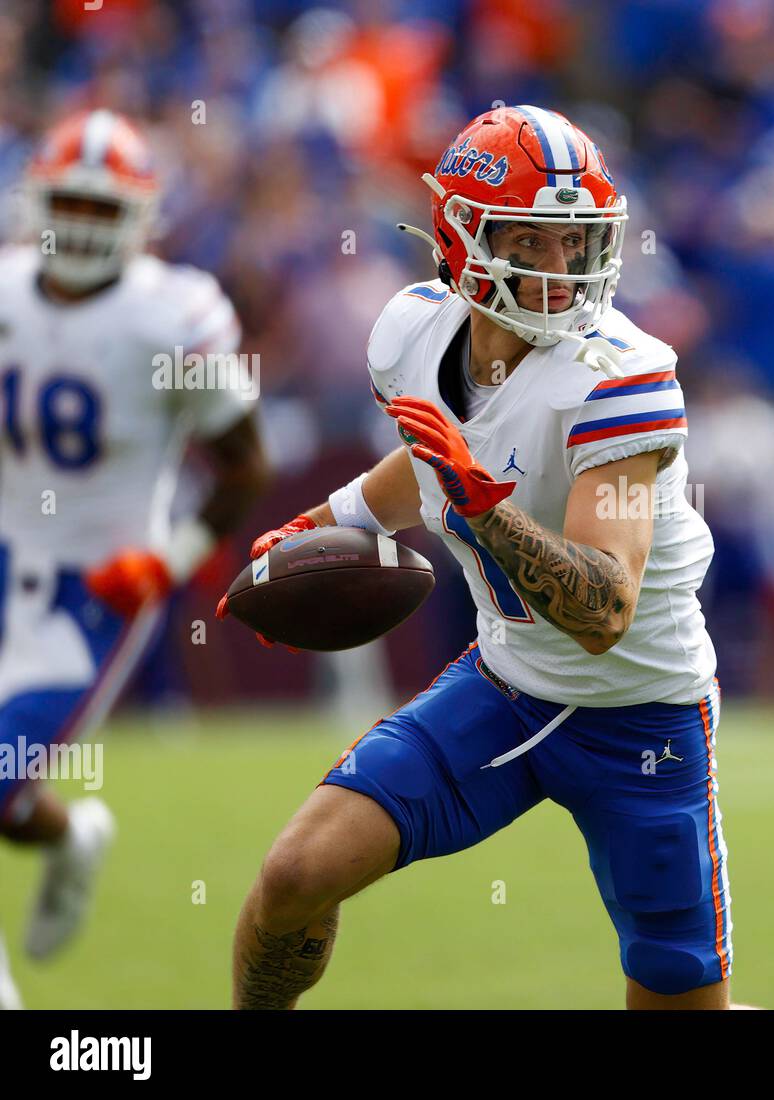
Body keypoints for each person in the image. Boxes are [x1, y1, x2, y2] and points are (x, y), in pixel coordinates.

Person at [224, 105, 729, 1010]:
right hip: (502, 686)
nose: (561, 268)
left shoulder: (620, 379)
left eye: (577, 244)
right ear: (462, 236)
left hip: (640, 720)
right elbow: (429, 454)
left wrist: (483, 506)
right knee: (297, 873)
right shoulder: (413, 333)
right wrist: (327, 518)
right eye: (531, 240)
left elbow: (605, 610)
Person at [0, 110, 267, 1000]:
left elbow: (244, 463)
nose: (78, 223)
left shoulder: (170, 316)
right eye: (67, 201)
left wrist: (170, 558)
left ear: (140, 219)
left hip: (92, 592)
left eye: (98, 205)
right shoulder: (4, 289)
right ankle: (70, 833)